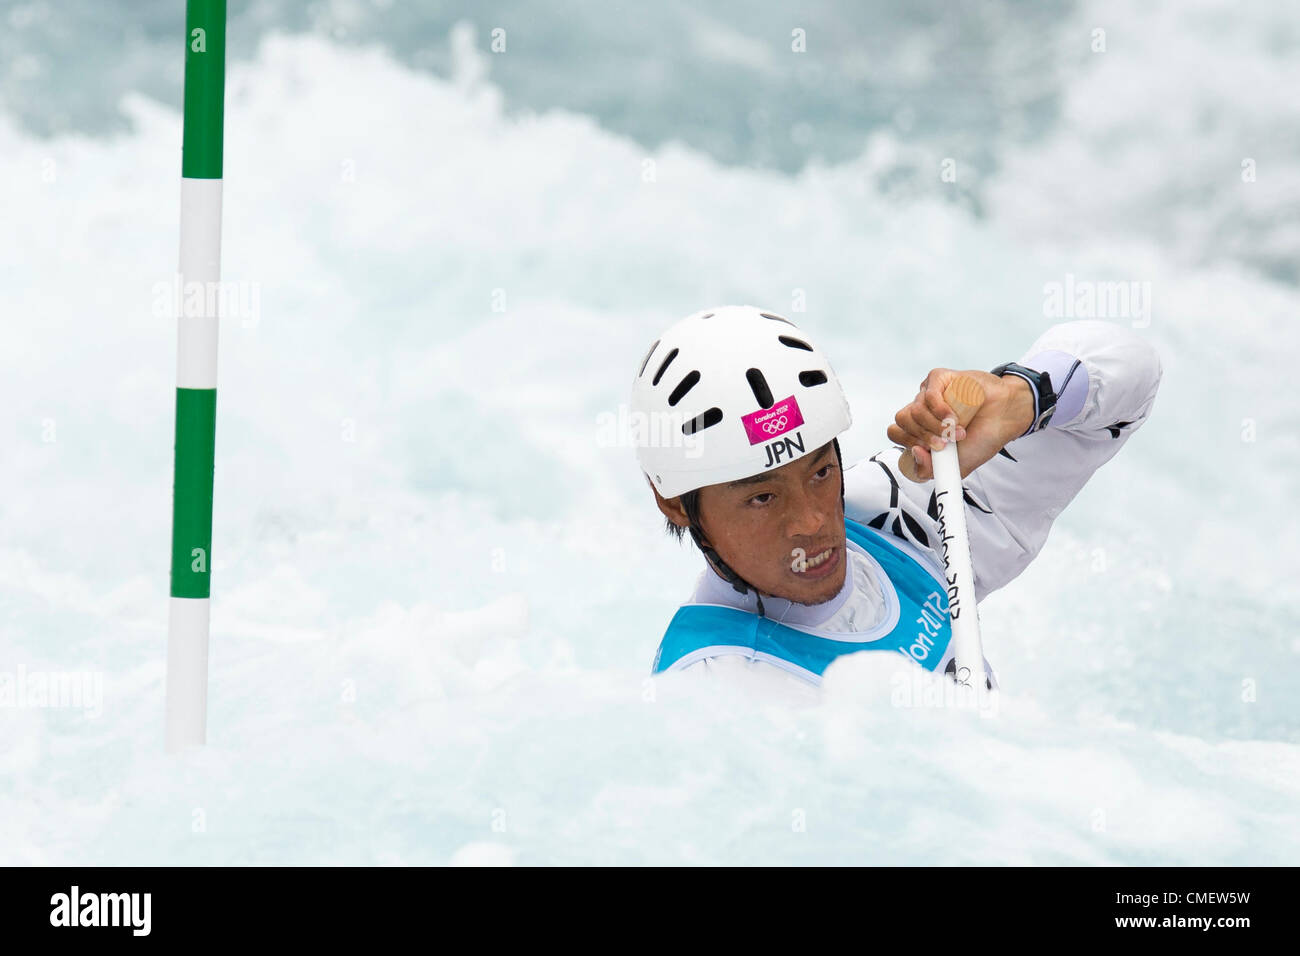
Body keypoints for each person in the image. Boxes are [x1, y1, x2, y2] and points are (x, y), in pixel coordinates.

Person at [631, 305, 1162, 698]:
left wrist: (1021, 396)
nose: (815, 521)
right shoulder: (710, 692)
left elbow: (1130, 369)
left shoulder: (890, 519)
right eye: (764, 497)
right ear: (675, 503)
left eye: (819, 471)